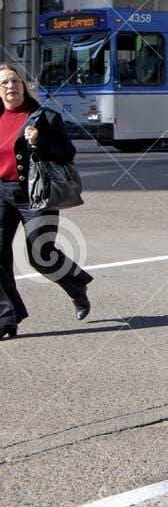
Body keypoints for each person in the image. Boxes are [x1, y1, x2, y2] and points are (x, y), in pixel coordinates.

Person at [0, 62, 92, 337]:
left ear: (23, 85)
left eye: (14, 81)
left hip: (36, 194)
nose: (10, 87)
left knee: (41, 254)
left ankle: (76, 285)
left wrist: (39, 142)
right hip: (1, 192)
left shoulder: (44, 117)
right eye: (4, 83)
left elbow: (67, 152)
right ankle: (7, 317)